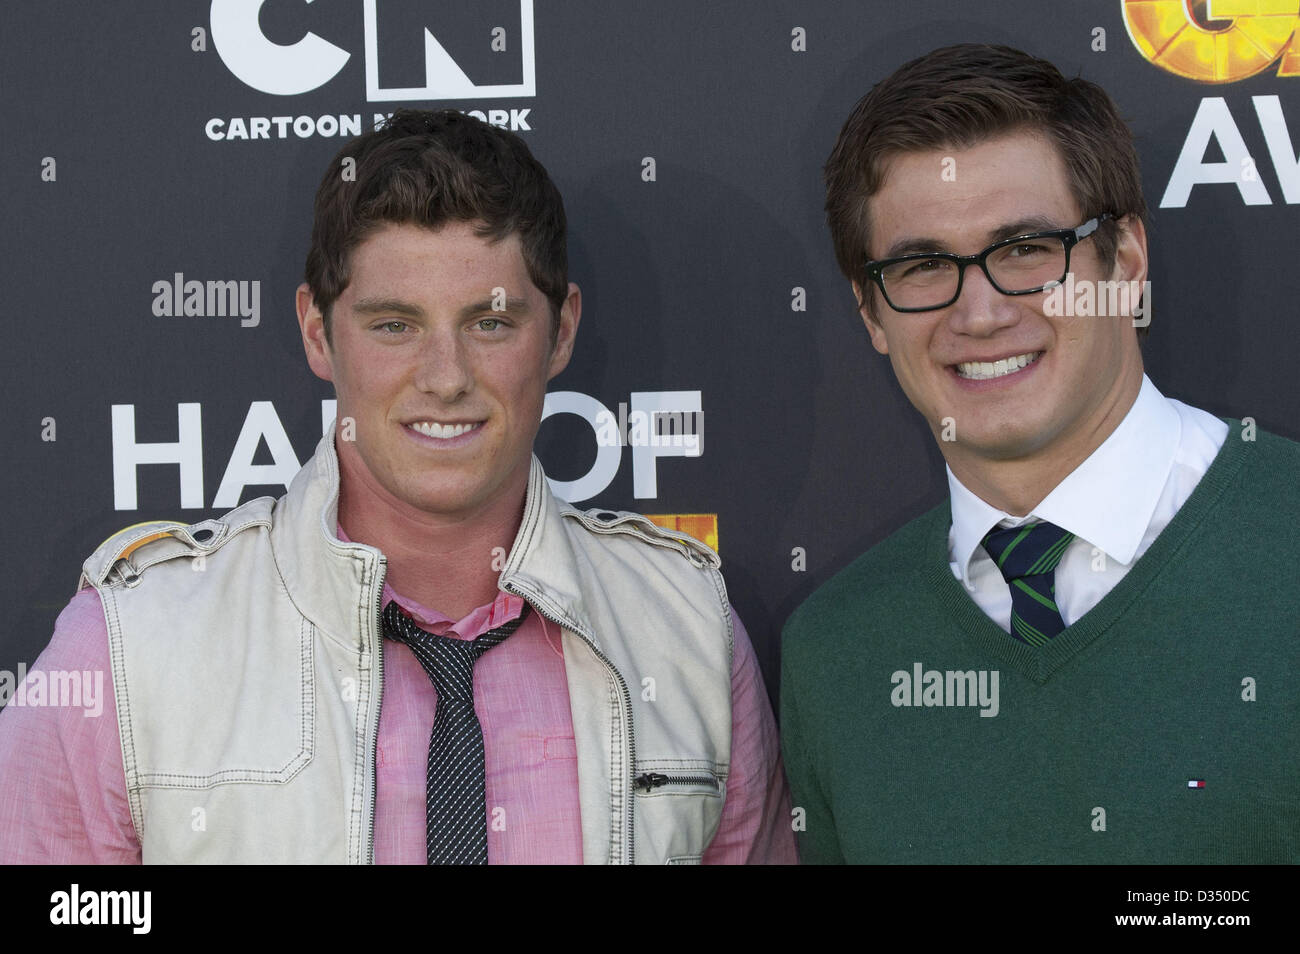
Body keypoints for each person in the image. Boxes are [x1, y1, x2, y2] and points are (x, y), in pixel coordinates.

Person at [0, 109, 795, 865]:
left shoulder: (687, 631)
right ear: (318, 332)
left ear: (561, 332)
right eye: (393, 325)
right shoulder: (130, 649)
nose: (445, 379)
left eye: (490, 323)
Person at [780, 44, 1299, 864]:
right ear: (871, 314)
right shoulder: (836, 653)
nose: (980, 314)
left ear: (1124, 262)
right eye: (922, 266)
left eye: (1024, 250)